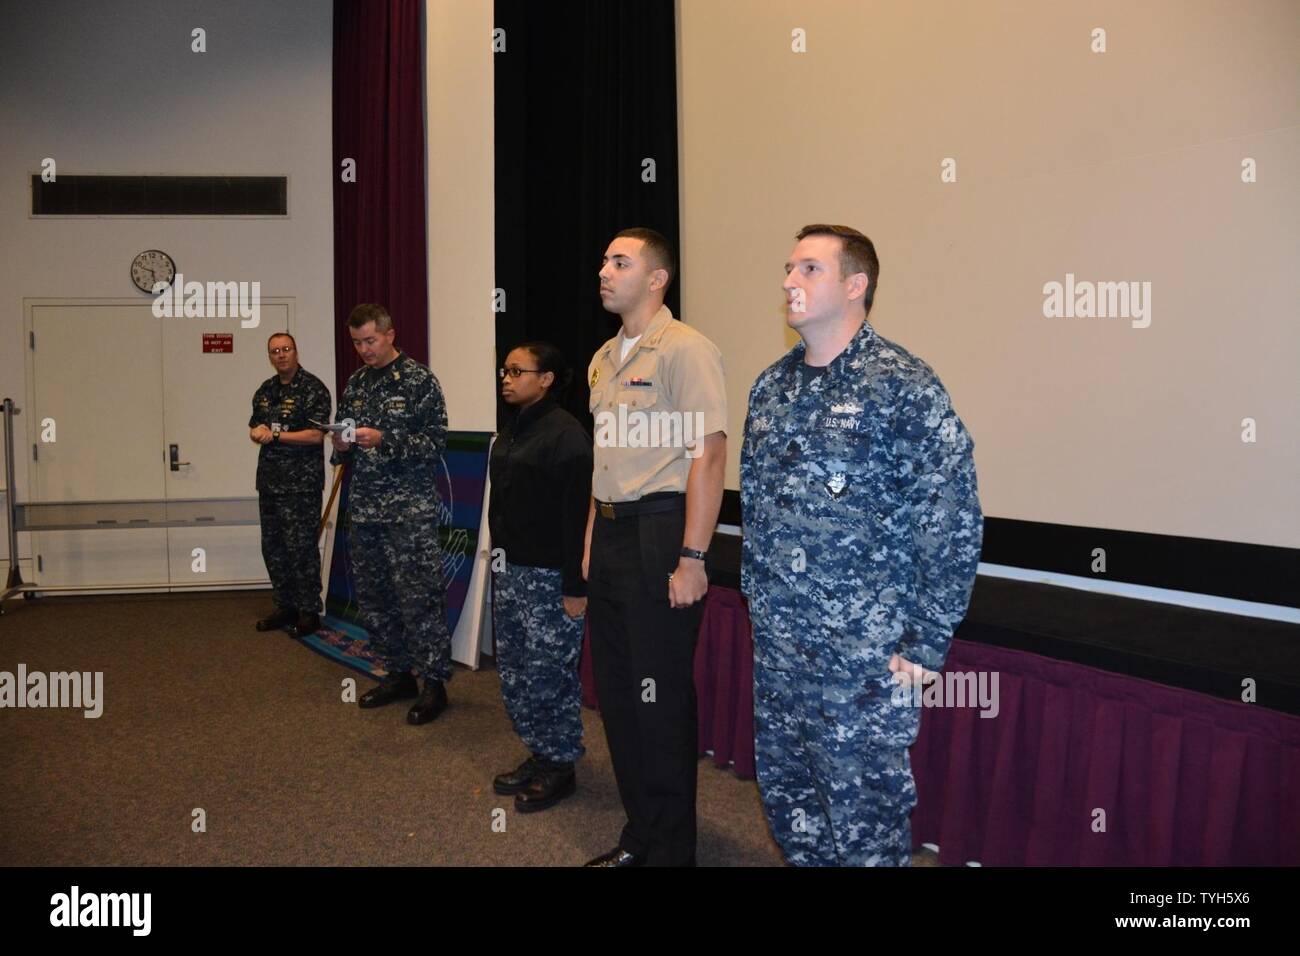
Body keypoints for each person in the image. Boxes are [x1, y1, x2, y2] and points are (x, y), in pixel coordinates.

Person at [740, 224, 983, 866]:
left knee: (865, 823)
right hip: (781, 652)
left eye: (810, 270)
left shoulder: (901, 385)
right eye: (789, 267)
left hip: (864, 663)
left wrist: (927, 643)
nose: (789, 281)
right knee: (793, 808)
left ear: (856, 285)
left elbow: (950, 520)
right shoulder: (770, 388)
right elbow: (762, 513)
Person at [582, 228, 728, 867]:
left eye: (621, 261)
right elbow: (604, 459)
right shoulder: (603, 358)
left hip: (661, 530)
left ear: (657, 278)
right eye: (605, 260)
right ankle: (641, 838)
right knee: (618, 695)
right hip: (612, 532)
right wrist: (591, 536)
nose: (605, 270)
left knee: (658, 697)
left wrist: (693, 556)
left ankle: (671, 853)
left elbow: (710, 451)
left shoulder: (685, 350)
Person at [330, 303, 452, 725]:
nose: (364, 349)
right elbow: (342, 437)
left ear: (390, 334)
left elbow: (436, 442)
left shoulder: (418, 379)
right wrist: (340, 445)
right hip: (364, 509)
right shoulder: (357, 383)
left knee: (418, 598)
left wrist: (384, 438)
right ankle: (398, 673)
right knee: (376, 598)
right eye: (357, 342)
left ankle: (434, 684)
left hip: (408, 511)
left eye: (370, 340)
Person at [488, 342, 593, 812]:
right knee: (517, 672)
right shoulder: (513, 429)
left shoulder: (566, 435)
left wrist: (575, 586)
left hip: (549, 579)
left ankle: (560, 765)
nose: (506, 378)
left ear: (547, 378)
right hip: (509, 572)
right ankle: (539, 750)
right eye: (503, 371)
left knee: (550, 674)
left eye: (516, 371)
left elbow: (577, 518)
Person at [249, 332, 331, 638]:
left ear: (296, 352)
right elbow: (255, 424)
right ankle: (285, 606)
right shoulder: (265, 391)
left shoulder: (313, 389)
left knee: (301, 548)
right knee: (273, 547)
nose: (281, 355)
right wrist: (256, 432)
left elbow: (315, 435)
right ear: (269, 356)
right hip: (270, 483)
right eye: (275, 351)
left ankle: (309, 610)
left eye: (286, 349)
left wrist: (277, 436)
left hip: (301, 486)